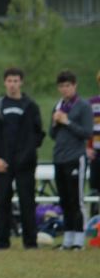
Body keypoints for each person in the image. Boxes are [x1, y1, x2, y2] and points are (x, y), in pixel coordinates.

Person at [0, 68, 44, 250]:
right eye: (9, 80)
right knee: (2, 202)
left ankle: (30, 242)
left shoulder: (30, 105)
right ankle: (2, 242)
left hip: (25, 164)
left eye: (16, 80)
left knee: (27, 202)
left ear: (21, 82)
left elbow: (38, 135)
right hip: (2, 164)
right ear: (5, 82)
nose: (12, 84)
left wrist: (24, 157)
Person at [50, 70, 93, 250]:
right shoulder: (58, 105)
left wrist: (67, 122)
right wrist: (55, 122)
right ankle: (67, 239)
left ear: (74, 86)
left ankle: (78, 239)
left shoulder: (83, 106)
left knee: (76, 200)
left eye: (68, 85)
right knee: (64, 199)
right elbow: (53, 135)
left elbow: (86, 132)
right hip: (59, 157)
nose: (65, 89)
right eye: (61, 86)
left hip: (76, 157)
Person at [89, 70, 100, 217]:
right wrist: (88, 148)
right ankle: (94, 222)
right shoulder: (91, 104)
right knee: (95, 188)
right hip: (96, 152)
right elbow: (87, 128)